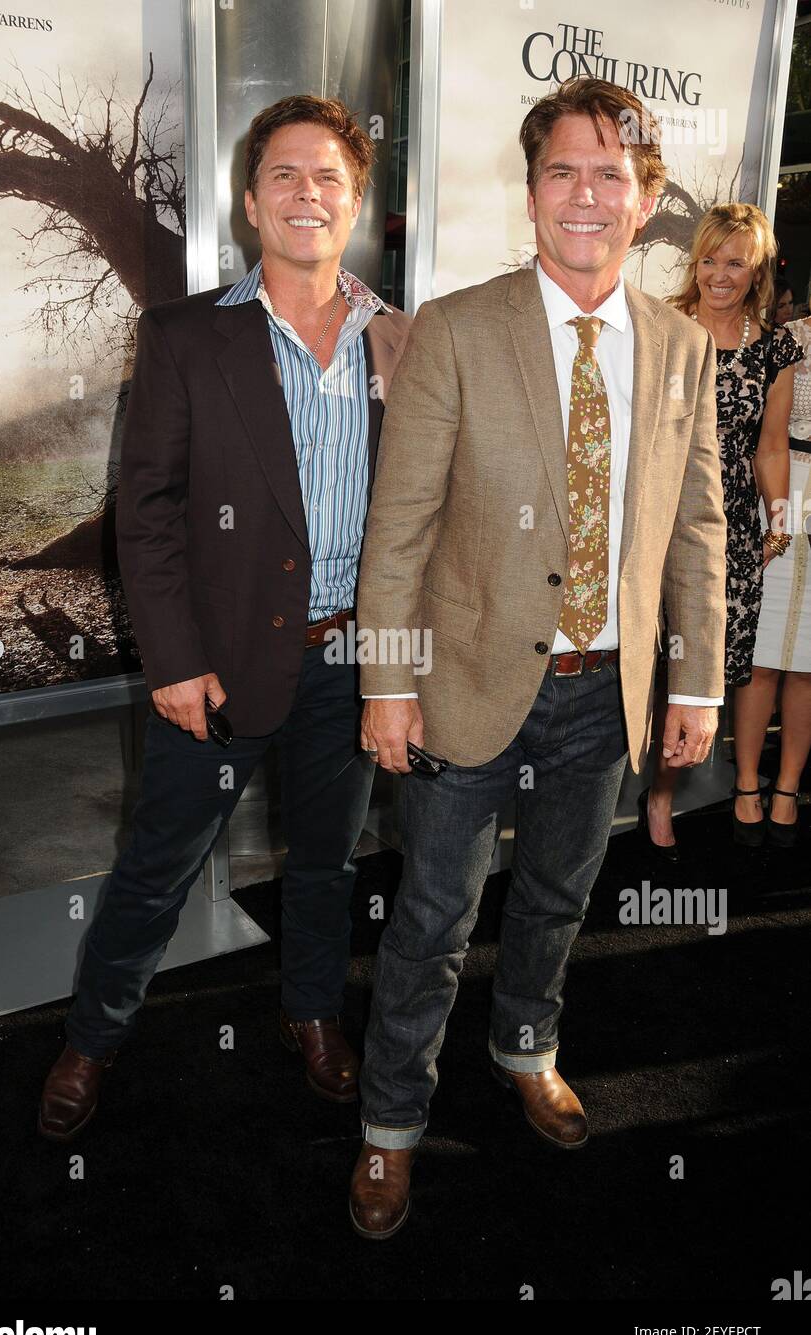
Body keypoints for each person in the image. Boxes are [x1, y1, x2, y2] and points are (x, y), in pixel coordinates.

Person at [347, 76, 727, 1240]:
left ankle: (527, 1047)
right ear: (528, 194)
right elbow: (397, 526)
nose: (583, 195)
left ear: (644, 198)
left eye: (609, 175)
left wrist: (697, 679)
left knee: (558, 899)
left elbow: (698, 522)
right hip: (461, 685)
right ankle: (389, 1128)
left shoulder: (678, 349)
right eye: (561, 171)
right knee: (429, 921)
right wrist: (387, 681)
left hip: (602, 700)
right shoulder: (458, 329)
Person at [37, 96, 411, 1140]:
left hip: (346, 660)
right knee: (158, 865)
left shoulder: (401, 341)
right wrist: (174, 659)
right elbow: (147, 513)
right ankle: (91, 1038)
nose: (307, 193)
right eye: (284, 175)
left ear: (357, 201)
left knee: (328, 865)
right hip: (216, 669)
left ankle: (310, 1014)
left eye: (328, 176)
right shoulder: (186, 337)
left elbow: (420, 515)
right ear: (251, 203)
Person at [642, 205, 803, 856]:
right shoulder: (661, 328)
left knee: (702, 665)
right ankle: (652, 798)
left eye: (735, 261)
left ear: (756, 269)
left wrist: (778, 521)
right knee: (648, 663)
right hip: (658, 515)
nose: (718, 274)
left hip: (732, 524)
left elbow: (770, 447)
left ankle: (667, 789)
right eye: (709, 259)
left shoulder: (775, 346)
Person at [745, 314, 811, 847]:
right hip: (781, 490)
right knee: (761, 657)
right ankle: (746, 783)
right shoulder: (791, 339)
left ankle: (787, 787)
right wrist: (778, 518)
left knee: (808, 667)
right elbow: (765, 435)